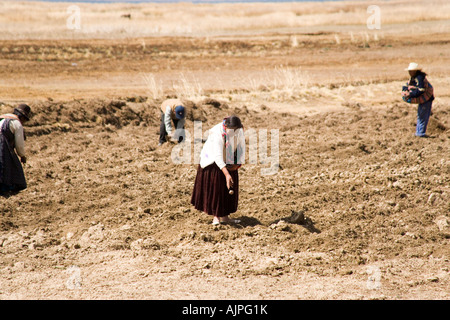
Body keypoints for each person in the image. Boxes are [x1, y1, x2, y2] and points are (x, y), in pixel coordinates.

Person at [191, 115, 245, 225]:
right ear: (226, 127)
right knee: (217, 188)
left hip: (229, 159)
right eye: (232, 130)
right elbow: (218, 156)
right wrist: (226, 174)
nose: (234, 133)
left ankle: (225, 217)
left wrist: (237, 165)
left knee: (228, 189)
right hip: (212, 161)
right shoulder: (217, 133)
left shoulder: (239, 131)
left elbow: (241, 148)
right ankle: (216, 217)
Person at [0, 104, 32, 195]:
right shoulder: (17, 124)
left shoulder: (2, 118)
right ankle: (5, 187)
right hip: (2, 146)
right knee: (8, 165)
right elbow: (19, 145)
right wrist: (22, 155)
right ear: (22, 118)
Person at [401, 62, 434, 137]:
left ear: (415, 71)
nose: (409, 72)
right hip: (423, 100)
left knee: (423, 115)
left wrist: (410, 94)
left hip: (427, 99)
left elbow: (421, 90)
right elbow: (406, 85)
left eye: (411, 71)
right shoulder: (413, 78)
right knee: (420, 115)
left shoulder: (420, 78)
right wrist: (405, 90)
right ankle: (418, 132)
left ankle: (421, 133)